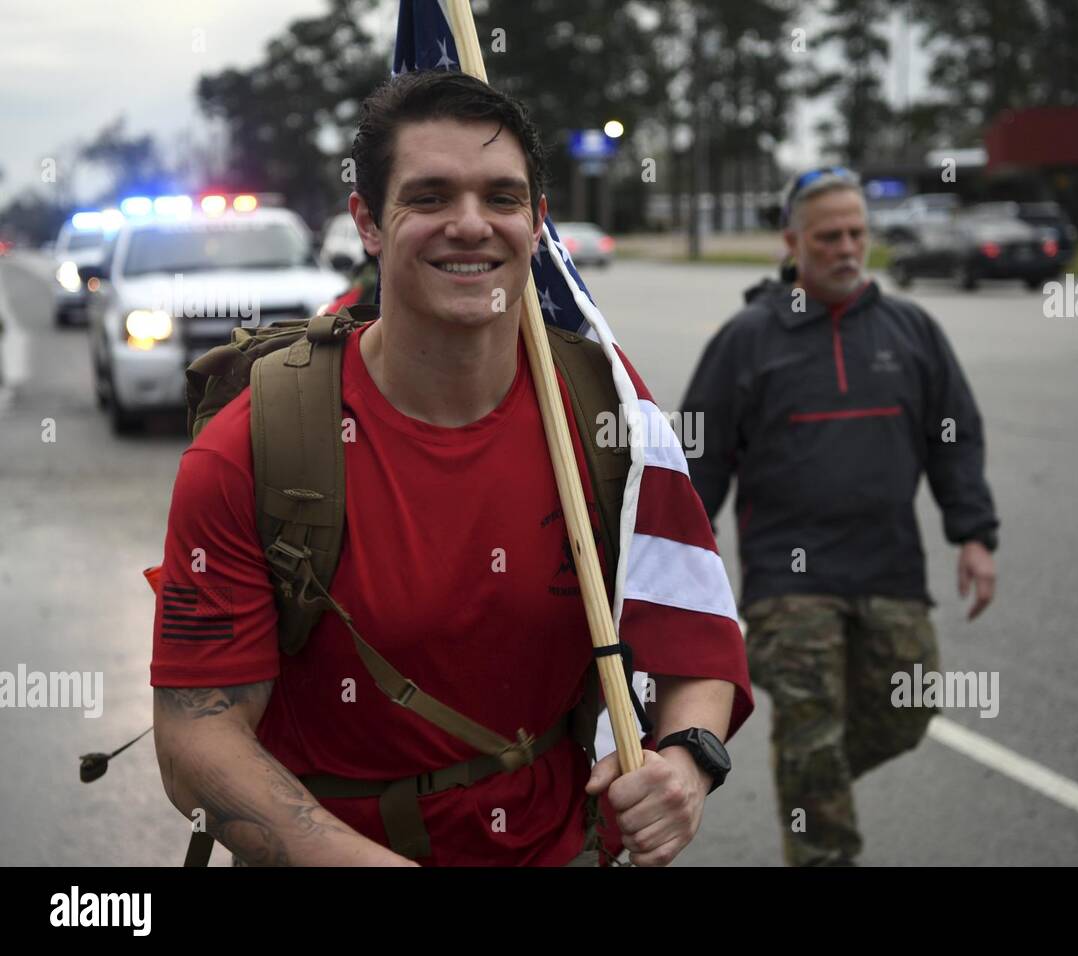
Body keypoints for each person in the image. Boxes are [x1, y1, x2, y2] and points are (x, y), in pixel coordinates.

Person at [150, 69, 752, 867]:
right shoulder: (251, 448)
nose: (471, 225)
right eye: (429, 197)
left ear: (537, 223)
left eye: (502, 198)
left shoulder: (607, 411)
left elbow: (696, 635)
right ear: (367, 220)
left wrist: (688, 759)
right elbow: (197, 735)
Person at [680, 166, 999, 866]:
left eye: (858, 233)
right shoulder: (747, 340)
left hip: (890, 569)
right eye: (829, 237)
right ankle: (820, 820)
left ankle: (811, 777)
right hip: (788, 582)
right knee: (810, 729)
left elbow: (956, 434)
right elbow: (699, 462)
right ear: (791, 241)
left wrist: (974, 534)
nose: (848, 248)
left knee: (904, 717)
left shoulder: (910, 330)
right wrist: (674, 570)